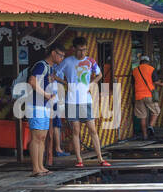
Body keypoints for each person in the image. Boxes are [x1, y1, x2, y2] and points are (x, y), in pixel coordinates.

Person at [57, 36, 110, 167]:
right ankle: (79, 160)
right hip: (71, 100)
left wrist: (92, 84)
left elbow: (100, 74)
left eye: (85, 50)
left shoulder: (91, 61)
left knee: (92, 129)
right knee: (76, 130)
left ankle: (100, 158)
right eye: (80, 50)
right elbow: (55, 75)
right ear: (74, 49)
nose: (82, 53)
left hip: (86, 100)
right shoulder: (67, 61)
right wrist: (66, 84)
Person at [26, 44, 66, 176]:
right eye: (60, 55)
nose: (61, 58)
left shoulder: (50, 68)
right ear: (53, 53)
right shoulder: (41, 65)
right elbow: (32, 81)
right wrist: (45, 94)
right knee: (36, 137)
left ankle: (41, 166)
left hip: (43, 105)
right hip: (35, 104)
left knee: (42, 137)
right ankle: (35, 168)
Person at [132, 54, 163, 140]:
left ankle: (145, 136)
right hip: (149, 94)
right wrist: (161, 84)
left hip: (138, 96)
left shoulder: (135, 70)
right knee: (156, 111)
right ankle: (150, 126)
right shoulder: (151, 69)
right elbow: (156, 81)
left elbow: (133, 82)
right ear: (148, 62)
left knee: (142, 116)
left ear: (140, 62)